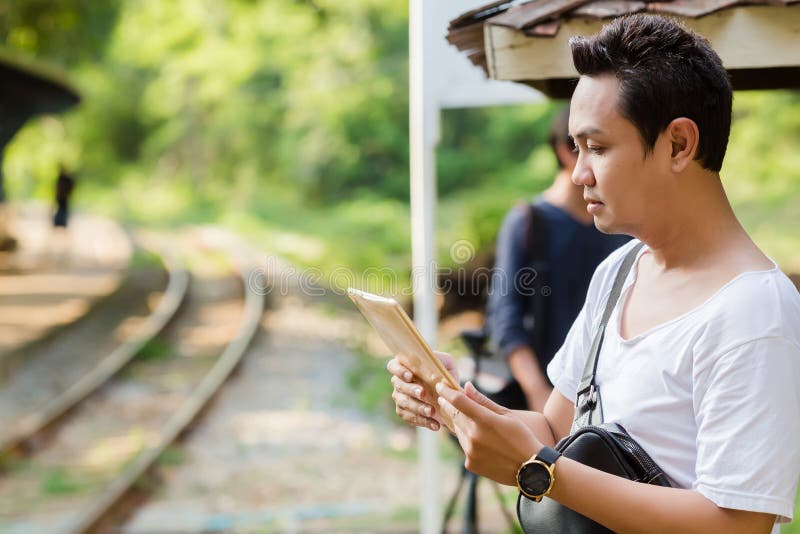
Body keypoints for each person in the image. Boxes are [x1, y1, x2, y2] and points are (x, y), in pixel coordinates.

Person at [389, 14, 800, 533]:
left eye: (598, 148)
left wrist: (541, 473)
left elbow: (738, 524)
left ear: (678, 145)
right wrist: (452, 401)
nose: (579, 173)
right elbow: (555, 428)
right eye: (577, 148)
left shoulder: (753, 310)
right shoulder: (619, 271)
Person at [485, 106, 629, 412]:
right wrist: (539, 392)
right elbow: (505, 318)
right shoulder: (528, 221)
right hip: (542, 398)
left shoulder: (623, 224)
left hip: (610, 402)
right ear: (567, 151)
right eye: (597, 149)